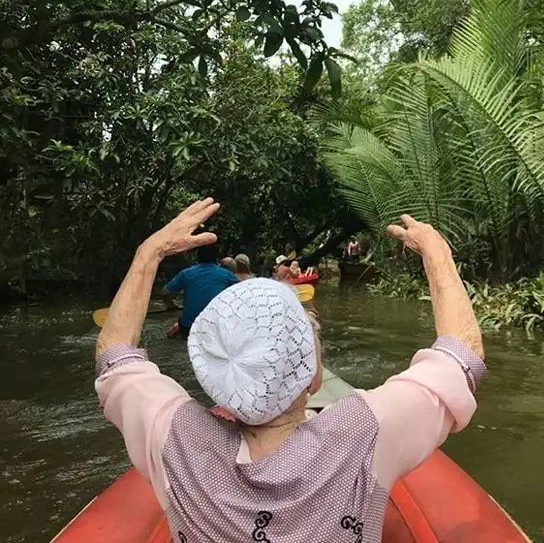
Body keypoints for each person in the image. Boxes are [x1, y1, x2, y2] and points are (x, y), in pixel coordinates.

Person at [95, 199, 486, 542]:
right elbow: (462, 357)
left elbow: (115, 357)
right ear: (315, 377)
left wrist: (149, 254)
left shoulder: (174, 437)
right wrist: (437, 254)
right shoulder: (364, 431)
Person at [160, 241, 239, 339]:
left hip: (188, 328)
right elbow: (244, 291)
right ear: (217, 259)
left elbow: (164, 293)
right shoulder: (225, 274)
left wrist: (171, 306)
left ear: (197, 258)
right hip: (214, 329)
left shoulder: (186, 273)